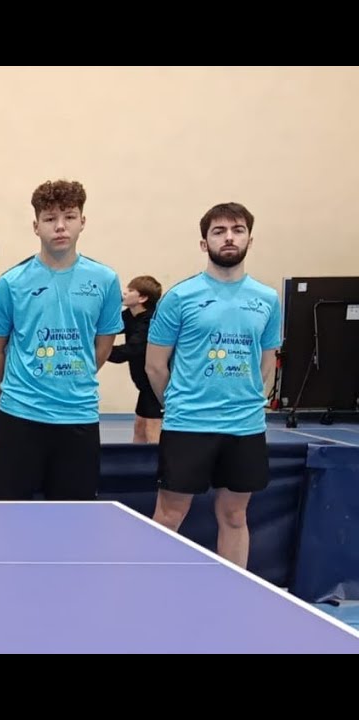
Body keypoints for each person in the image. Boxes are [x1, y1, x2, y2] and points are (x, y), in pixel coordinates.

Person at [146, 202, 281, 568]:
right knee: (170, 515)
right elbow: (156, 366)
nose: (229, 237)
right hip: (189, 424)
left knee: (235, 516)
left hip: (244, 428)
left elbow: (267, 363)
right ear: (204, 243)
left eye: (237, 230)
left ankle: (233, 595)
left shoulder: (268, 300)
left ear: (250, 239)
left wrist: (252, 401)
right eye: (219, 231)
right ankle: (151, 592)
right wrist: (178, 404)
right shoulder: (179, 297)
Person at [0, 179, 123, 501]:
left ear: (82, 222)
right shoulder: (10, 283)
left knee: (74, 523)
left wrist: (73, 376)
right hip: (21, 417)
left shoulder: (106, 281)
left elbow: (102, 346)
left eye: (69, 217)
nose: (60, 226)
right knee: (6, 518)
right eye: (49, 219)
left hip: (79, 418)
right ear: (36, 226)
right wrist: (20, 390)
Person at [107, 275, 164, 443]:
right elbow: (109, 326)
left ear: (143, 298)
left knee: (152, 428)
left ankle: (159, 467)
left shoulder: (151, 322)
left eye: (131, 290)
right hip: (145, 385)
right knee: (139, 426)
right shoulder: (130, 316)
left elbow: (128, 352)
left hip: (157, 384)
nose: (125, 292)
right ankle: (136, 466)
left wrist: (97, 351)